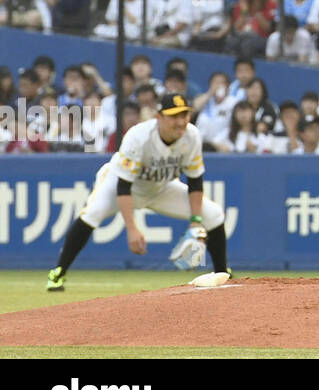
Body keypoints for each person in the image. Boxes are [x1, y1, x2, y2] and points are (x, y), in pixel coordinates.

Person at [45, 92, 231, 291]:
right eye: (174, 116)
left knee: (213, 214)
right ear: (158, 117)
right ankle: (58, 272)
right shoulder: (139, 136)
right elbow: (124, 186)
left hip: (160, 187)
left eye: (184, 115)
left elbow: (195, 181)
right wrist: (132, 228)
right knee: (91, 214)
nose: (180, 122)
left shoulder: (191, 135)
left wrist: (196, 222)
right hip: (119, 183)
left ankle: (224, 274)